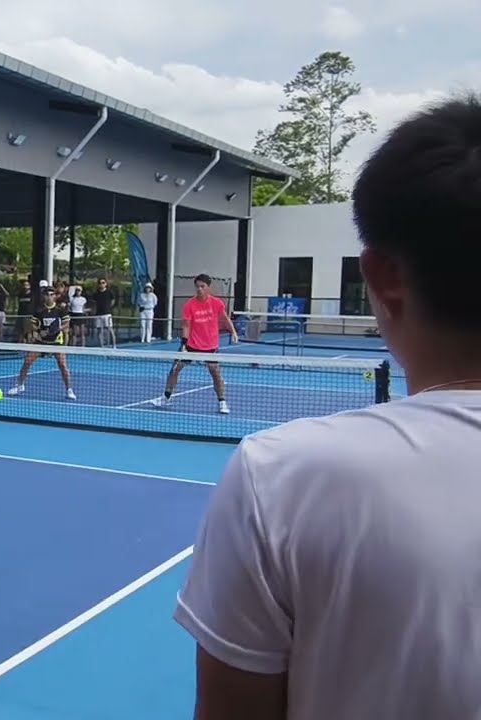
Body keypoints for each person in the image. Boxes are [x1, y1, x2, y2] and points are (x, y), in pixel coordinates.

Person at [173, 95, 481, 720]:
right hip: (191, 347)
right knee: (185, 365)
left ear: (381, 275)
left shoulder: (282, 475)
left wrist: (229, 332)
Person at [151, 274, 237, 414]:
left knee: (215, 372)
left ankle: (222, 402)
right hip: (191, 345)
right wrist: (184, 344)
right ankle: (165, 398)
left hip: (210, 345)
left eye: (203, 287)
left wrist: (233, 331)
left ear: (209, 287)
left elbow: (225, 318)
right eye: (197, 286)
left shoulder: (217, 303)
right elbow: (186, 325)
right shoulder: (189, 305)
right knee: (175, 369)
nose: (199, 289)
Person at [7, 282, 75, 399]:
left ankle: (69, 390)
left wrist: (56, 329)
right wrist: (39, 332)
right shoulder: (39, 311)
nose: (49, 296)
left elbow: (66, 324)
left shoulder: (60, 310)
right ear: (44, 296)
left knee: (62, 365)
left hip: (56, 343)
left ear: (54, 296)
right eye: (47, 294)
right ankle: (20, 386)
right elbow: (33, 326)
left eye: (51, 294)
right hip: (41, 342)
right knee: (27, 361)